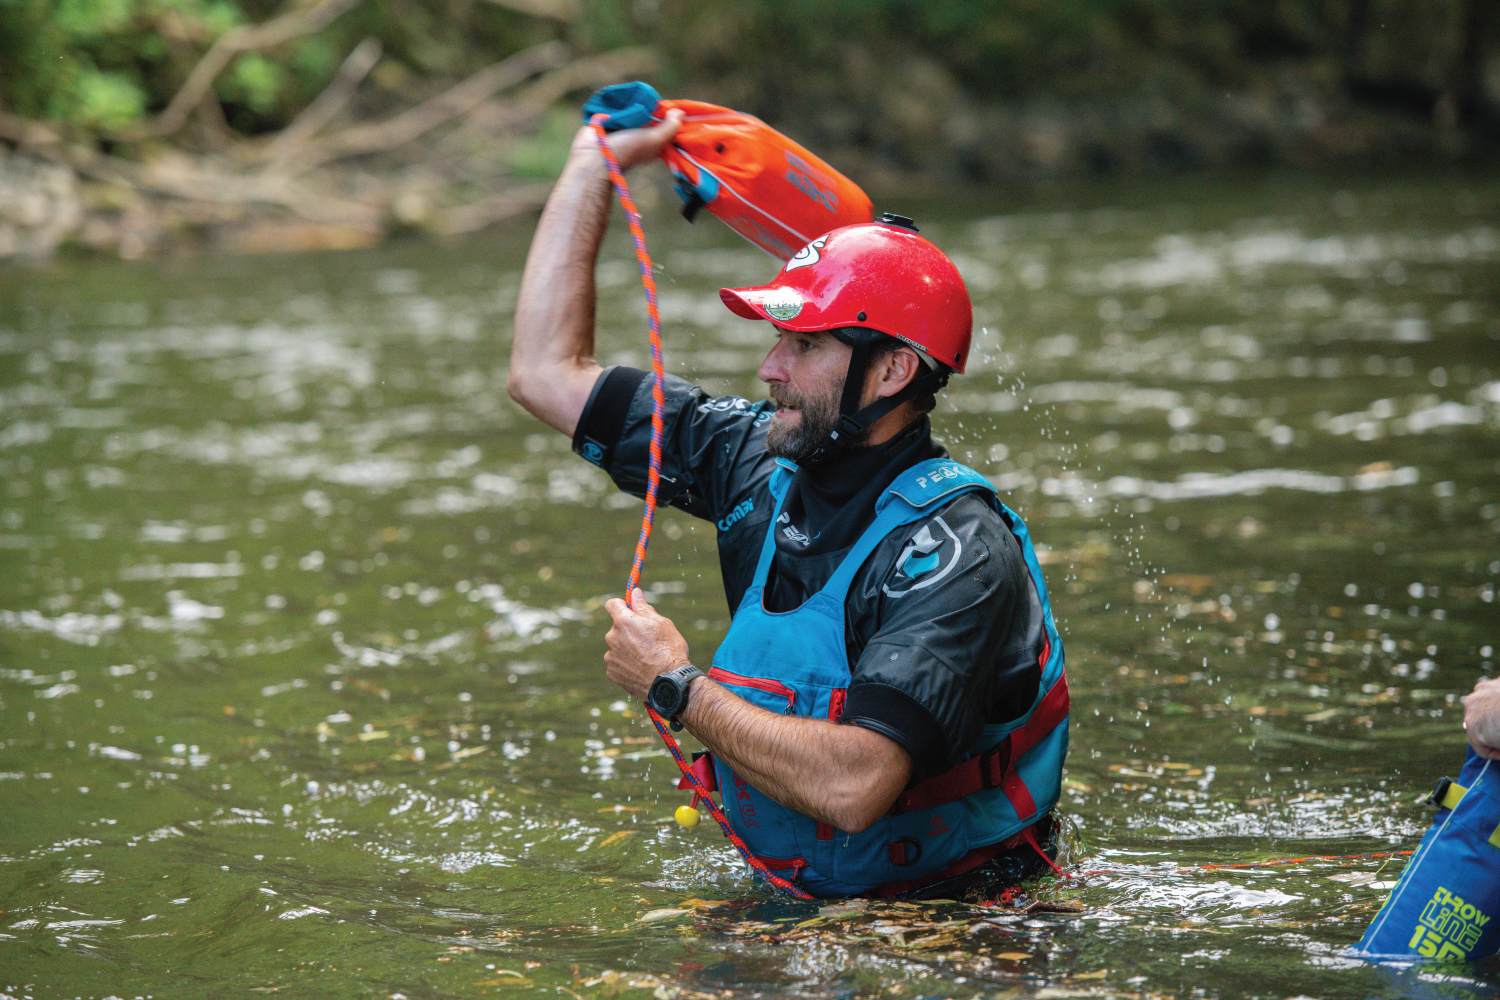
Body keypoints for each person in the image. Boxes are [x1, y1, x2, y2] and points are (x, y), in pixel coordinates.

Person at [507, 110, 1069, 900]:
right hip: (790, 901)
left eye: (805, 344)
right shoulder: (752, 458)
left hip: (960, 924)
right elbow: (542, 371)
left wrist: (676, 686)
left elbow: (856, 786)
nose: (769, 366)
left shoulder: (957, 550)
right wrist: (592, 164)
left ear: (892, 371)